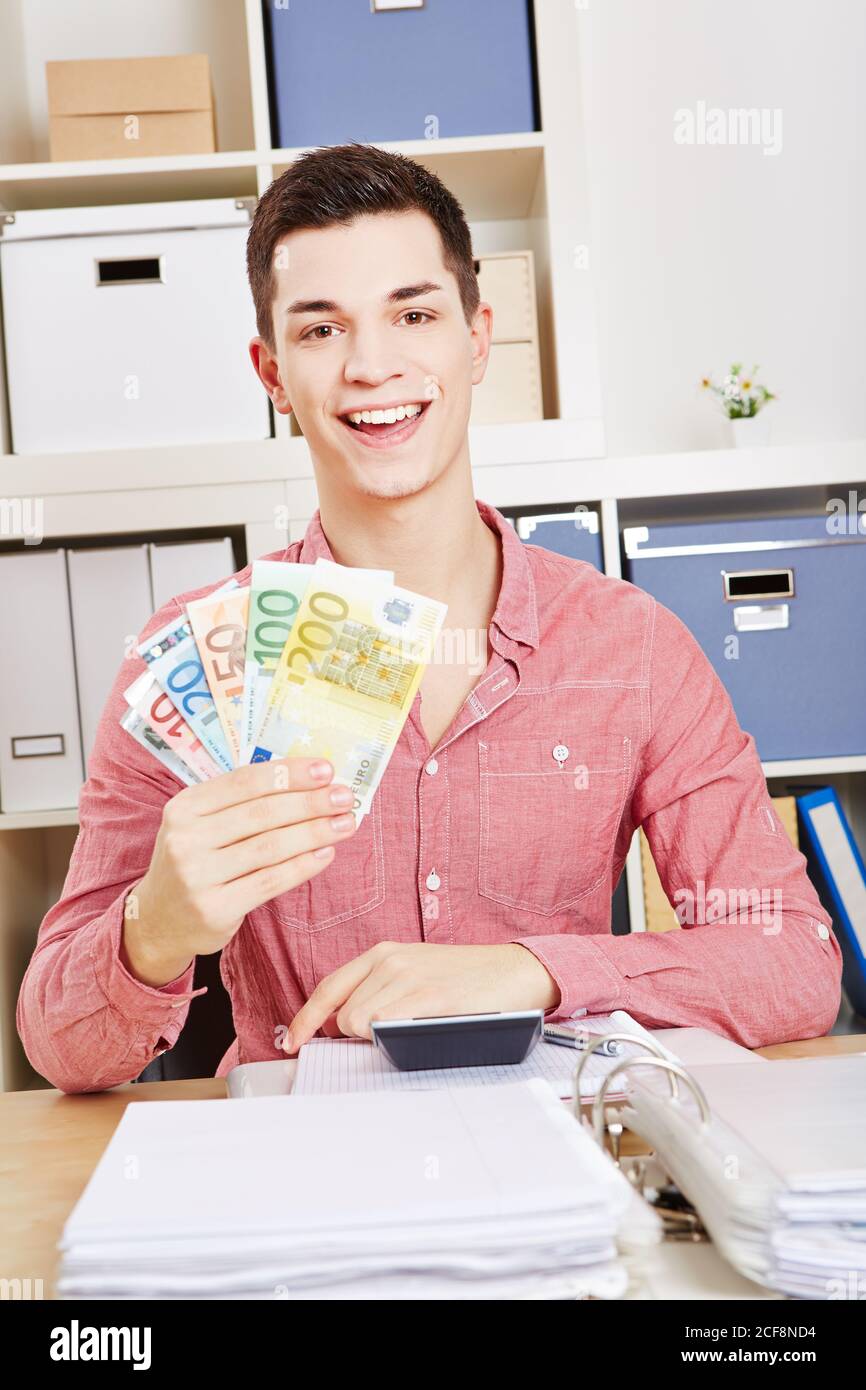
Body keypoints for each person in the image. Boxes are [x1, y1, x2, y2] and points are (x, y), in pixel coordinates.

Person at [18, 143, 841, 1093]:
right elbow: (60, 1048)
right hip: (306, 1183)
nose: (374, 365)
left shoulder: (635, 647)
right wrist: (154, 926)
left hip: (561, 1165)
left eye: (414, 314)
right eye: (321, 331)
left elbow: (793, 959)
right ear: (273, 375)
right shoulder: (205, 653)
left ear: (478, 338)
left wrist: (533, 970)